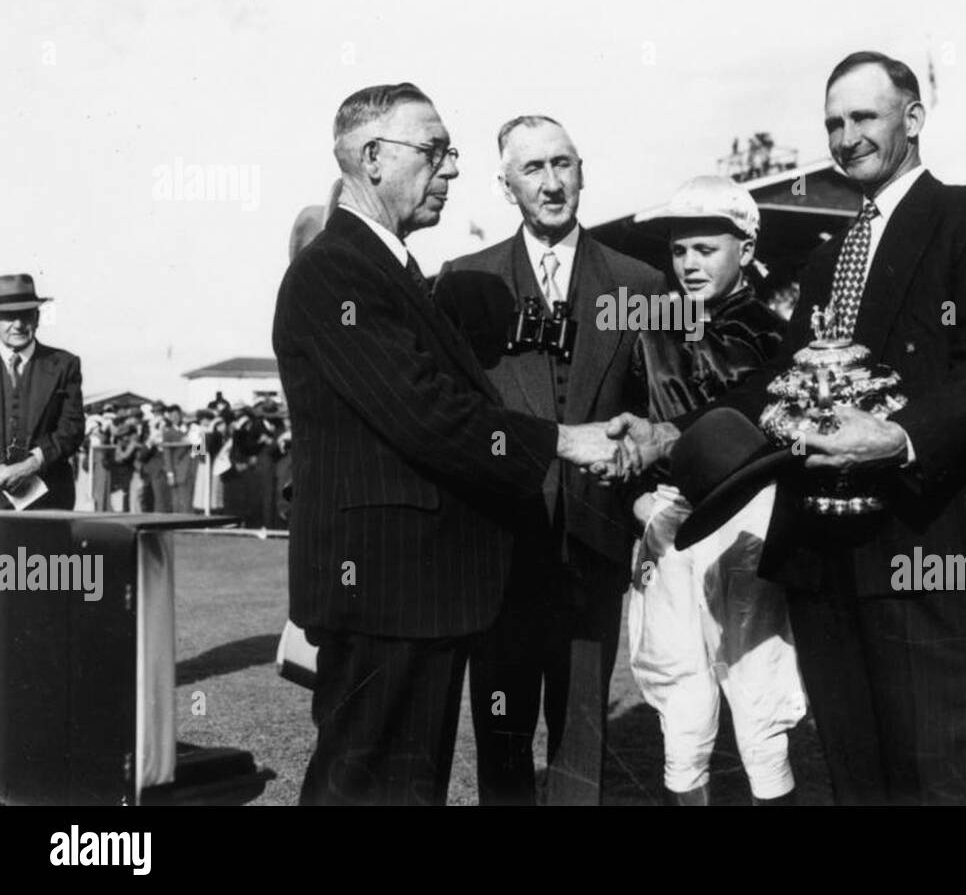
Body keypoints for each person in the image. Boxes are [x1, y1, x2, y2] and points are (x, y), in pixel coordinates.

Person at [610, 50, 966, 805]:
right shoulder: (830, 256)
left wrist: (898, 435)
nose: (846, 138)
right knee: (857, 771)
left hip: (926, 541)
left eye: (864, 117)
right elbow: (777, 381)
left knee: (944, 768)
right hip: (825, 552)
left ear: (913, 118)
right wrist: (668, 437)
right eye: (833, 123)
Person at [272, 82, 622, 805]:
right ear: (373, 158)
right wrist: (563, 440)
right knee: (370, 786)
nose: (453, 170)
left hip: (410, 591)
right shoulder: (339, 269)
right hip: (384, 594)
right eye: (433, 151)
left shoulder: (385, 266)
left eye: (450, 152)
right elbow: (426, 413)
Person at [432, 114, 667, 806]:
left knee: (582, 735)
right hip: (501, 552)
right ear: (505, 186)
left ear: (582, 171)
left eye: (563, 164)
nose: (552, 182)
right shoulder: (464, 281)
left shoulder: (641, 283)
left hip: (594, 547)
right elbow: (451, 414)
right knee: (502, 735)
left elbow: (660, 410)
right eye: (532, 169)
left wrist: (641, 461)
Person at [622, 176, 803, 805]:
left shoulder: (780, 332)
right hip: (671, 515)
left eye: (707, 248)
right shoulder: (646, 324)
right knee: (682, 692)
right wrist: (636, 500)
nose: (690, 264)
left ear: (746, 249)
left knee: (760, 685)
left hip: (751, 512)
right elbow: (624, 418)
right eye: (679, 250)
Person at [0, 274, 86, 511]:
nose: (18, 324)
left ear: (37, 318)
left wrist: (31, 464)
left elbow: (72, 428)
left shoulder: (64, 364)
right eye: (8, 316)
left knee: (40, 551)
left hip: (48, 496)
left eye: (26, 314)